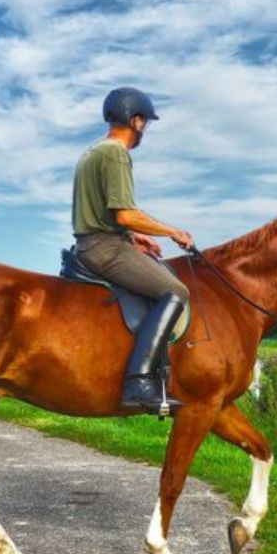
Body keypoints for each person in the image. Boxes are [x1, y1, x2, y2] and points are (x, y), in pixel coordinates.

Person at [72, 87, 194, 411]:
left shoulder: (91, 153)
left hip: (93, 241)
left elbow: (105, 214)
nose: (144, 131)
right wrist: (173, 232)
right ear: (136, 120)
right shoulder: (116, 153)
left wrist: (133, 236)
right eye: (145, 123)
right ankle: (139, 381)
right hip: (105, 249)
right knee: (176, 290)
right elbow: (124, 213)